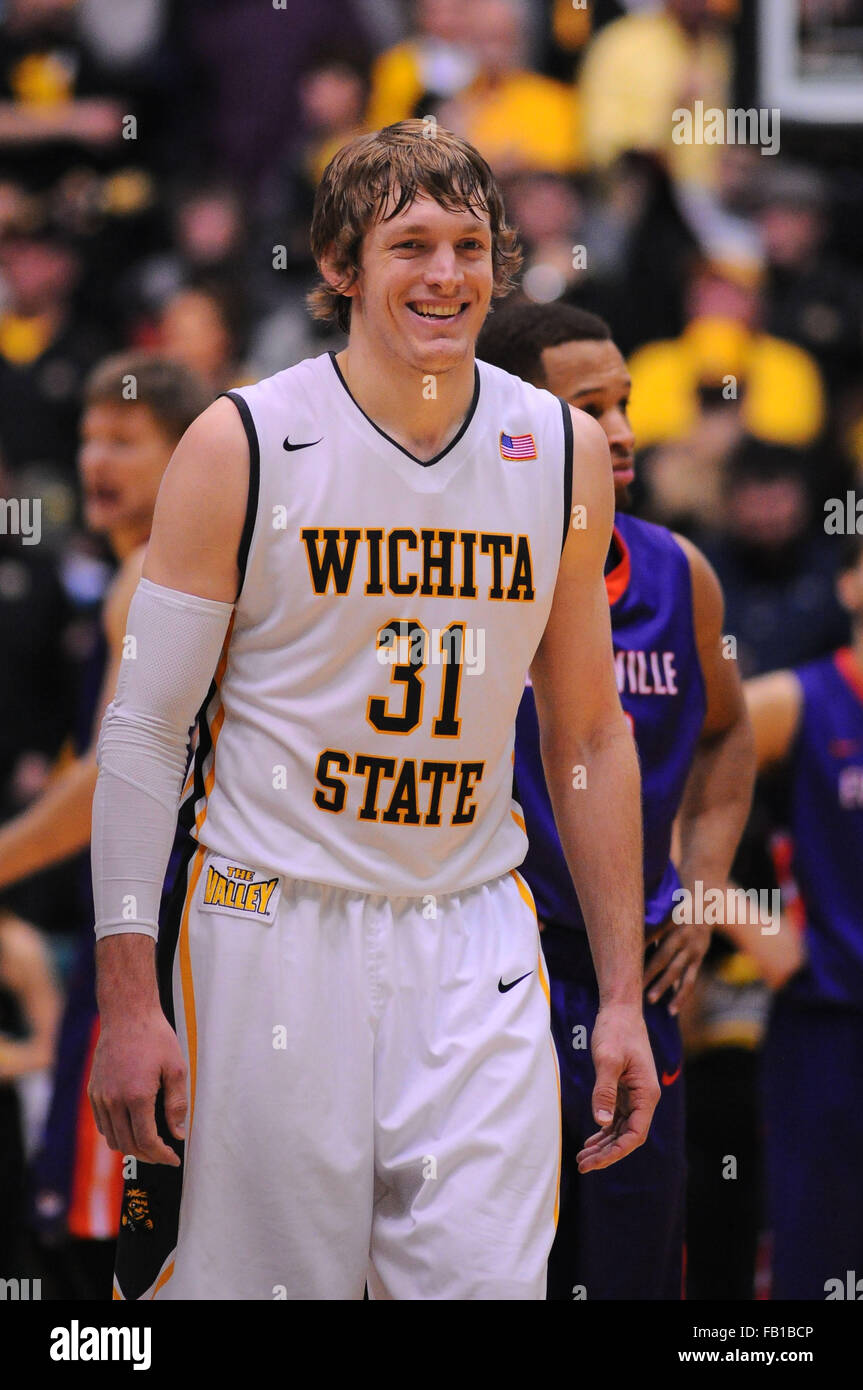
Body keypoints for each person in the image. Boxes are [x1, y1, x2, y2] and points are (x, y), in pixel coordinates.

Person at [88, 120, 657, 1302]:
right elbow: (146, 730)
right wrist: (129, 995)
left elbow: (589, 733)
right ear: (340, 266)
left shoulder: (554, 448)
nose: (445, 276)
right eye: (409, 246)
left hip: (473, 936)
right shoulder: (240, 443)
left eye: (467, 246)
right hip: (268, 923)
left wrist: (615, 994)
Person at [477, 300, 754, 1299]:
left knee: (633, 1269)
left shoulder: (680, 575)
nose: (626, 432)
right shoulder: (465, 569)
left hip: (630, 976)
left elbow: (729, 731)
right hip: (494, 963)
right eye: (590, 407)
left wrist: (704, 881)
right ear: (518, 420)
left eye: (625, 402)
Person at [0, 353, 211, 1294]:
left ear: (185, 460)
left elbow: (107, 781)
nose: (96, 458)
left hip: (152, 928)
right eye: (89, 437)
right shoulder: (132, 572)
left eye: (125, 440)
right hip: (160, 923)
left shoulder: (150, 574)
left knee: (110, 1231)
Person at [742, 532, 863, 1300]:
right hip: (828, 1020)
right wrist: (737, 916)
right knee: (817, 1265)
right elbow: (656, 788)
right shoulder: (796, 700)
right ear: (849, 586)